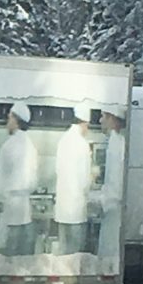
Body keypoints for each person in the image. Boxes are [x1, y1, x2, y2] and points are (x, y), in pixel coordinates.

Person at [0, 102, 39, 255]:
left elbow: (0, 184)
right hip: (25, 215)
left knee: (7, 263)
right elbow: (33, 182)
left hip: (10, 214)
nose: (7, 122)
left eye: (9, 118)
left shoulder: (8, 146)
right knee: (22, 264)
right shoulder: (31, 146)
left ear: (16, 121)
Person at [54, 105, 93, 253]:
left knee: (63, 255)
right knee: (76, 257)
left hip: (62, 210)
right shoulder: (82, 145)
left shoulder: (63, 140)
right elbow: (84, 182)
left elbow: (58, 170)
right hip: (76, 211)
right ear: (84, 123)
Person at [96, 104, 127, 259]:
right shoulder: (114, 142)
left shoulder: (116, 145)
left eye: (104, 116)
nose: (100, 120)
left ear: (112, 119)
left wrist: (100, 200)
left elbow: (115, 184)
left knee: (109, 255)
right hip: (111, 210)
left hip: (113, 210)